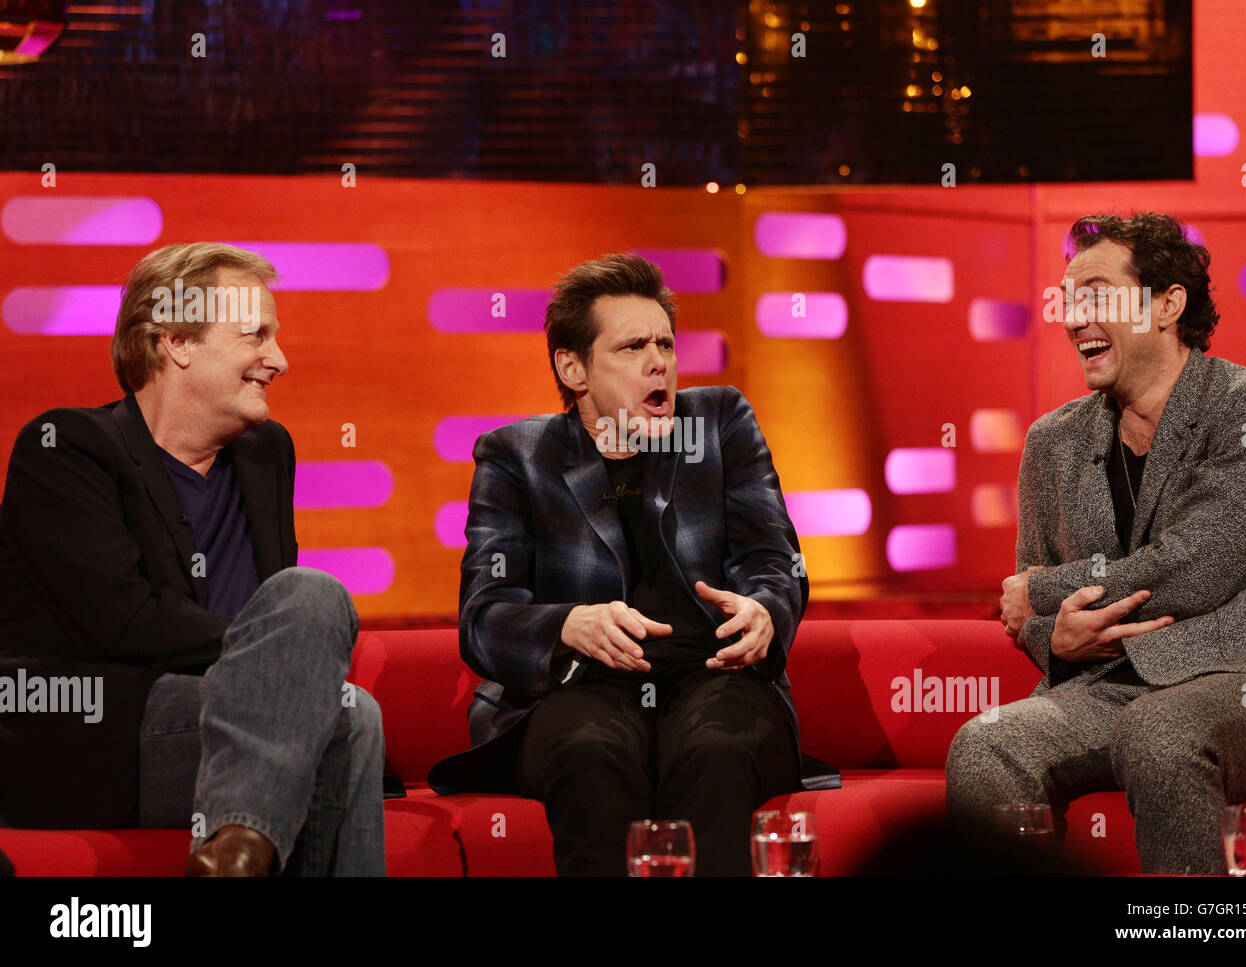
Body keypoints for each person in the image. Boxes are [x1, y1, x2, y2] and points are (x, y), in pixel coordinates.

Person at [428, 252, 838, 876]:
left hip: (717, 675)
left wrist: (764, 611)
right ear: (573, 368)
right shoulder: (517, 455)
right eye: (631, 348)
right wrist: (568, 624)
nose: (660, 362)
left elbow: (774, 561)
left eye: (666, 344)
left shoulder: (719, 424)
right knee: (590, 751)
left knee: (714, 749)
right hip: (577, 686)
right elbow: (483, 617)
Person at [0, 243, 385, 876]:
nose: (279, 360)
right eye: (255, 336)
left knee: (349, 707)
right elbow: (122, 623)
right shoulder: (68, 448)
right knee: (313, 610)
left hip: (237, 718)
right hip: (103, 733)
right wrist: (275, 651)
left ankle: (239, 846)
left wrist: (277, 661)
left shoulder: (267, 454)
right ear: (178, 342)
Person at [947, 213, 1246, 873]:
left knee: (1158, 728)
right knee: (986, 743)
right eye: (1068, 300)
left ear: (1168, 304)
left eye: (1097, 295)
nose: (1074, 317)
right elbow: (1029, 608)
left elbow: (1198, 567)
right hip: (1117, 684)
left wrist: (1042, 592)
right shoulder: (1053, 442)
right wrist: (1052, 636)